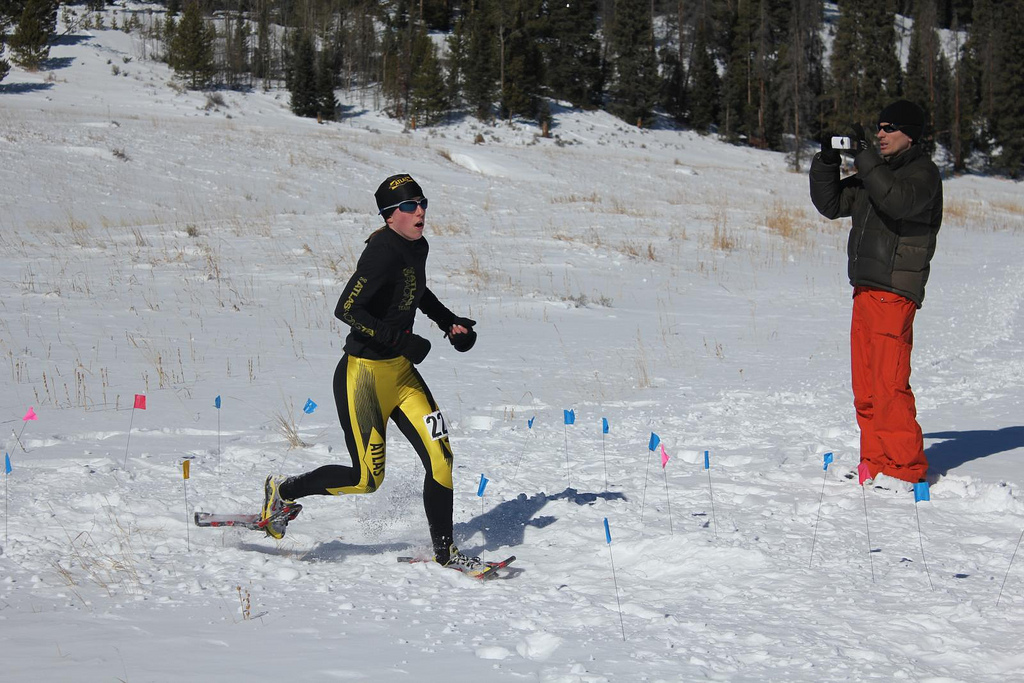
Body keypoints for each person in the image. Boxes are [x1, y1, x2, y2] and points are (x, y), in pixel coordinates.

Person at [260, 173, 482, 572]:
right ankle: (284, 490)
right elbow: (346, 308)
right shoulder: (380, 251)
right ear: (389, 215)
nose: (421, 211)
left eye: (423, 202)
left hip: (402, 377)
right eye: (409, 206)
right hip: (363, 377)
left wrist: (448, 322)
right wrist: (401, 340)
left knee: (442, 459)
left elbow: (414, 289)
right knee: (366, 478)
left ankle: (446, 553)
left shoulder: (418, 245)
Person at [809, 100, 943, 488]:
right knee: (866, 388)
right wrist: (827, 160)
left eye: (890, 128)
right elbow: (832, 203)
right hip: (865, 290)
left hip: (895, 292)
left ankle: (905, 469)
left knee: (889, 386)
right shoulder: (877, 174)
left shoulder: (923, 175)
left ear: (910, 134)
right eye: (878, 127)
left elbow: (897, 201)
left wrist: (867, 161)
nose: (880, 133)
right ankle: (876, 461)